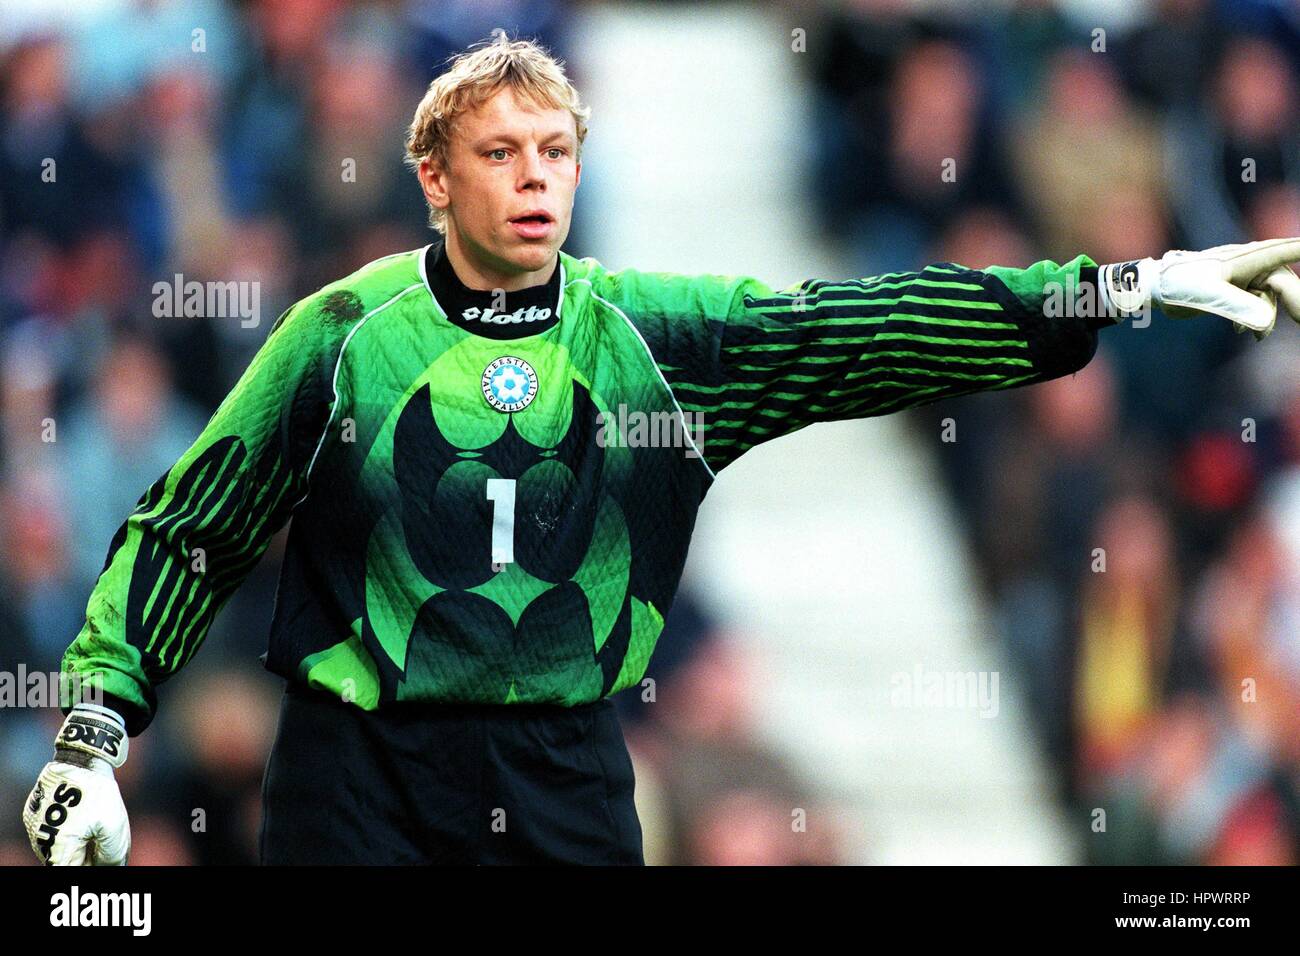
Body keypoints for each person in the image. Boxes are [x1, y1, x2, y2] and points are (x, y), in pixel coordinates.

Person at [22, 33, 1300, 865]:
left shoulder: (656, 335)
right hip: (356, 782)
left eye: (558, 152)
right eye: (500, 153)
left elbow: (870, 328)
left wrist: (1118, 287)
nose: (535, 178)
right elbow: (191, 524)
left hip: (566, 769)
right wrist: (90, 728)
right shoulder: (341, 333)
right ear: (430, 175)